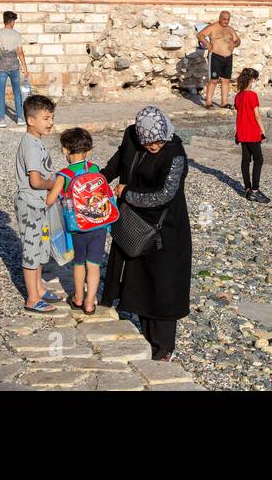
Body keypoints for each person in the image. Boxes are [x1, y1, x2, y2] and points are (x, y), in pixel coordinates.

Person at [100, 106, 191, 360]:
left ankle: (163, 347)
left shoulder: (174, 154)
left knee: (163, 285)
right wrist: (96, 181)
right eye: (149, 142)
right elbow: (117, 163)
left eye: (158, 141)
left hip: (165, 230)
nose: (154, 147)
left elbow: (164, 195)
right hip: (133, 223)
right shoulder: (131, 137)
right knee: (139, 279)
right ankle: (146, 335)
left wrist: (126, 193)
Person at [45, 127, 113, 315]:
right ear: (89, 151)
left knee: (78, 263)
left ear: (64, 151)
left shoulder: (64, 175)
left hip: (78, 228)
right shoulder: (94, 169)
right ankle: (90, 303)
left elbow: (50, 201)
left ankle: (78, 298)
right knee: (94, 265)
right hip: (99, 225)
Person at [14, 94, 67, 314]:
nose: (50, 122)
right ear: (30, 120)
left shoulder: (36, 142)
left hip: (40, 204)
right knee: (31, 251)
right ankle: (32, 298)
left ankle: (39, 288)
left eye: (51, 117)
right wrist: (55, 184)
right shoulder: (32, 146)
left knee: (41, 247)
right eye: (45, 118)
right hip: (31, 204)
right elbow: (35, 181)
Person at [0, 10, 30, 128]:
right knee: (17, 92)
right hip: (15, 67)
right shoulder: (17, 34)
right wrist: (25, 68)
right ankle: (20, 118)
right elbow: (20, 53)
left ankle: (1, 119)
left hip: (2, 67)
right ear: (11, 22)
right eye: (14, 21)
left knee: (1, 93)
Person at [233, 67, 269, 203]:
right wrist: (263, 130)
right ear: (251, 80)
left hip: (241, 132)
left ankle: (247, 189)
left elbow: (240, 113)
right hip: (252, 132)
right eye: (254, 79)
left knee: (245, 160)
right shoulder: (252, 95)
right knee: (258, 160)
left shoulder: (238, 96)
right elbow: (257, 115)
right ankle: (255, 190)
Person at [197, 11, 240, 110]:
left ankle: (224, 103)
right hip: (216, 56)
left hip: (228, 58)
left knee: (226, 80)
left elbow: (238, 40)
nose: (226, 21)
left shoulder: (230, 29)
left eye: (228, 19)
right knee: (214, 80)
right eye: (224, 19)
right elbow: (200, 35)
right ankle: (208, 102)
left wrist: (234, 44)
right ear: (220, 18)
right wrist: (207, 44)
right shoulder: (213, 27)